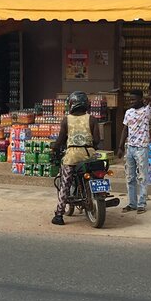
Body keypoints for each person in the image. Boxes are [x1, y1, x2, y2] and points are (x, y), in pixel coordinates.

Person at [51, 91, 102, 227]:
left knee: (65, 183)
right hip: (89, 155)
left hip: (72, 155)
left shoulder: (66, 120)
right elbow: (97, 140)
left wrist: (54, 148)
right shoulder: (92, 119)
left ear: (71, 104)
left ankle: (59, 214)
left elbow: (61, 139)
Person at [117, 89, 151, 214]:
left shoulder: (146, 111)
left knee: (142, 177)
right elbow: (125, 130)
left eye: (134, 99)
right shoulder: (128, 112)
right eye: (130, 99)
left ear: (140, 99)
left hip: (142, 147)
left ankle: (141, 204)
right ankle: (132, 203)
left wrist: (146, 99)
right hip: (130, 147)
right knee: (130, 177)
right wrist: (120, 147)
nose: (131, 102)